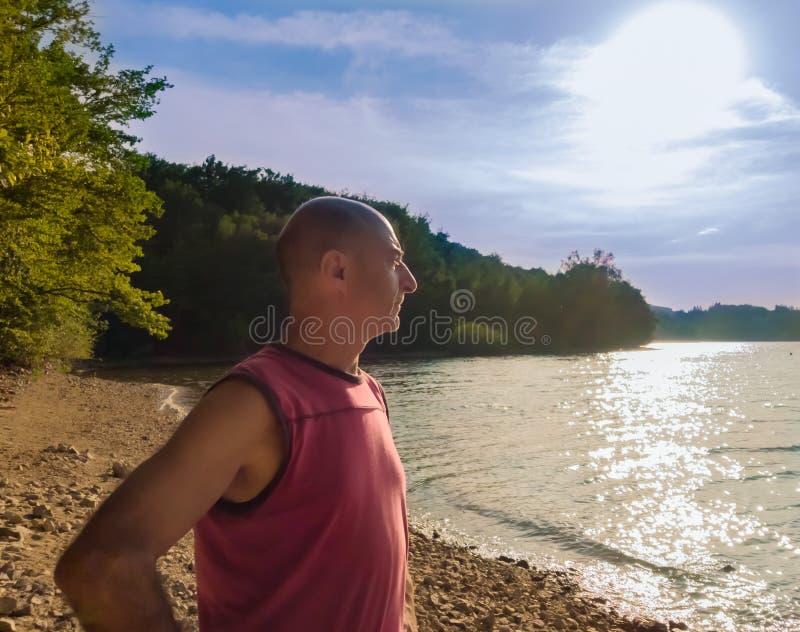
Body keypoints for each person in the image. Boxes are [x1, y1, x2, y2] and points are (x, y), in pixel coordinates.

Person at [55, 196, 420, 631]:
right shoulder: (255, 404)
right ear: (337, 270)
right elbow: (101, 564)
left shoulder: (370, 392)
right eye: (395, 261)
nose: (410, 281)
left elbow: (389, 552)